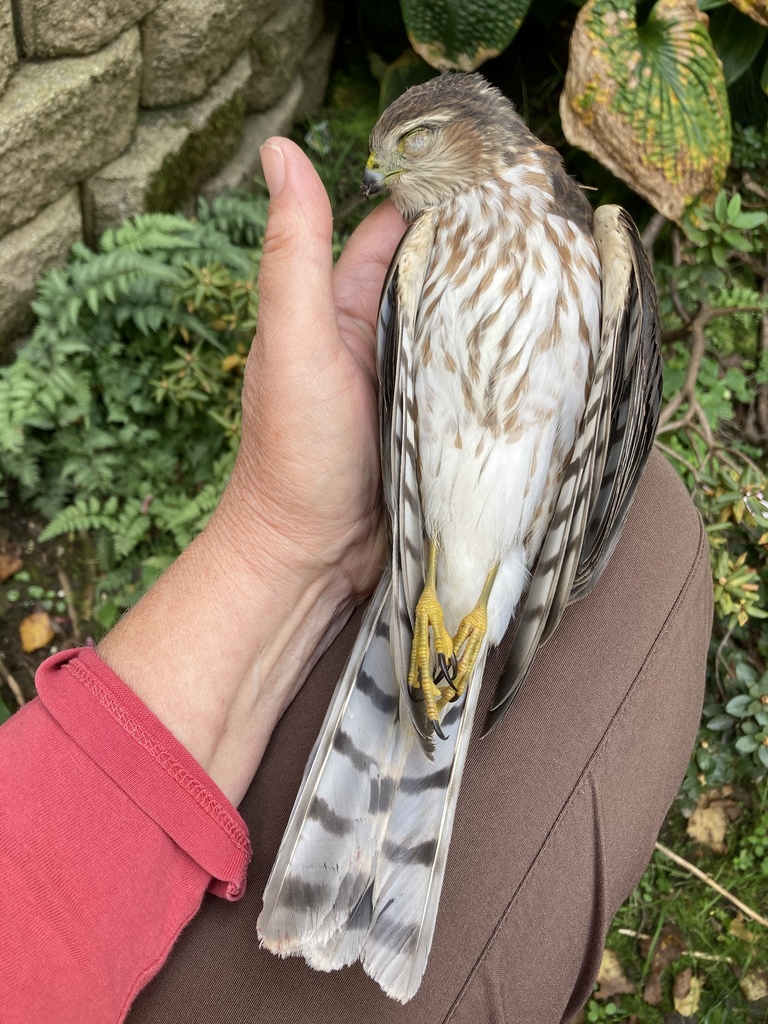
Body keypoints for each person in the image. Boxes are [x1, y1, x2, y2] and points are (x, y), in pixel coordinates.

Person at [0, 139, 712, 1024]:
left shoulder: (594, 243)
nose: (383, 174)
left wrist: (286, 539)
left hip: (49, 873)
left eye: (409, 148)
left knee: (645, 526)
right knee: (657, 538)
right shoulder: (428, 250)